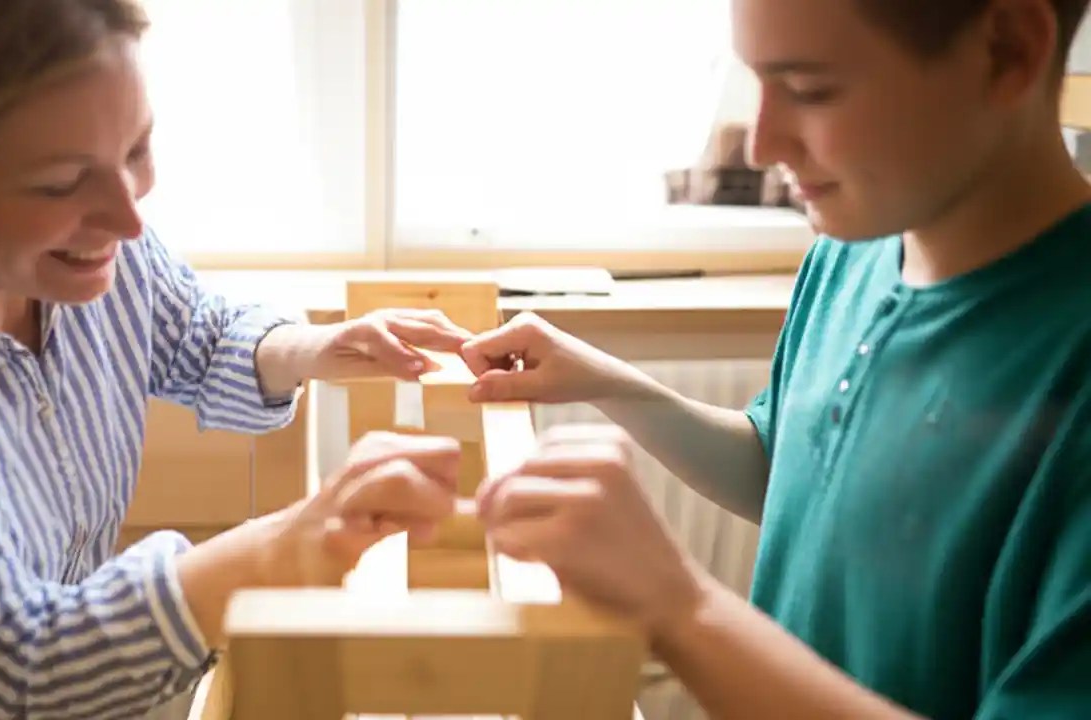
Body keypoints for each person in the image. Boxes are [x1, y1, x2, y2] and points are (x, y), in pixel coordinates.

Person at [0, 2, 466, 718]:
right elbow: (2, 674)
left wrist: (314, 349)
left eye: (136, 151)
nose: (127, 218)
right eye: (60, 183)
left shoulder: (93, 259)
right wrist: (283, 543)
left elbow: (194, 331)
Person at [463, 0, 1091, 717]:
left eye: (809, 90)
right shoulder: (851, 247)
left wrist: (681, 608)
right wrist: (615, 385)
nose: (761, 145)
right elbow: (785, 470)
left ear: (1008, 50)